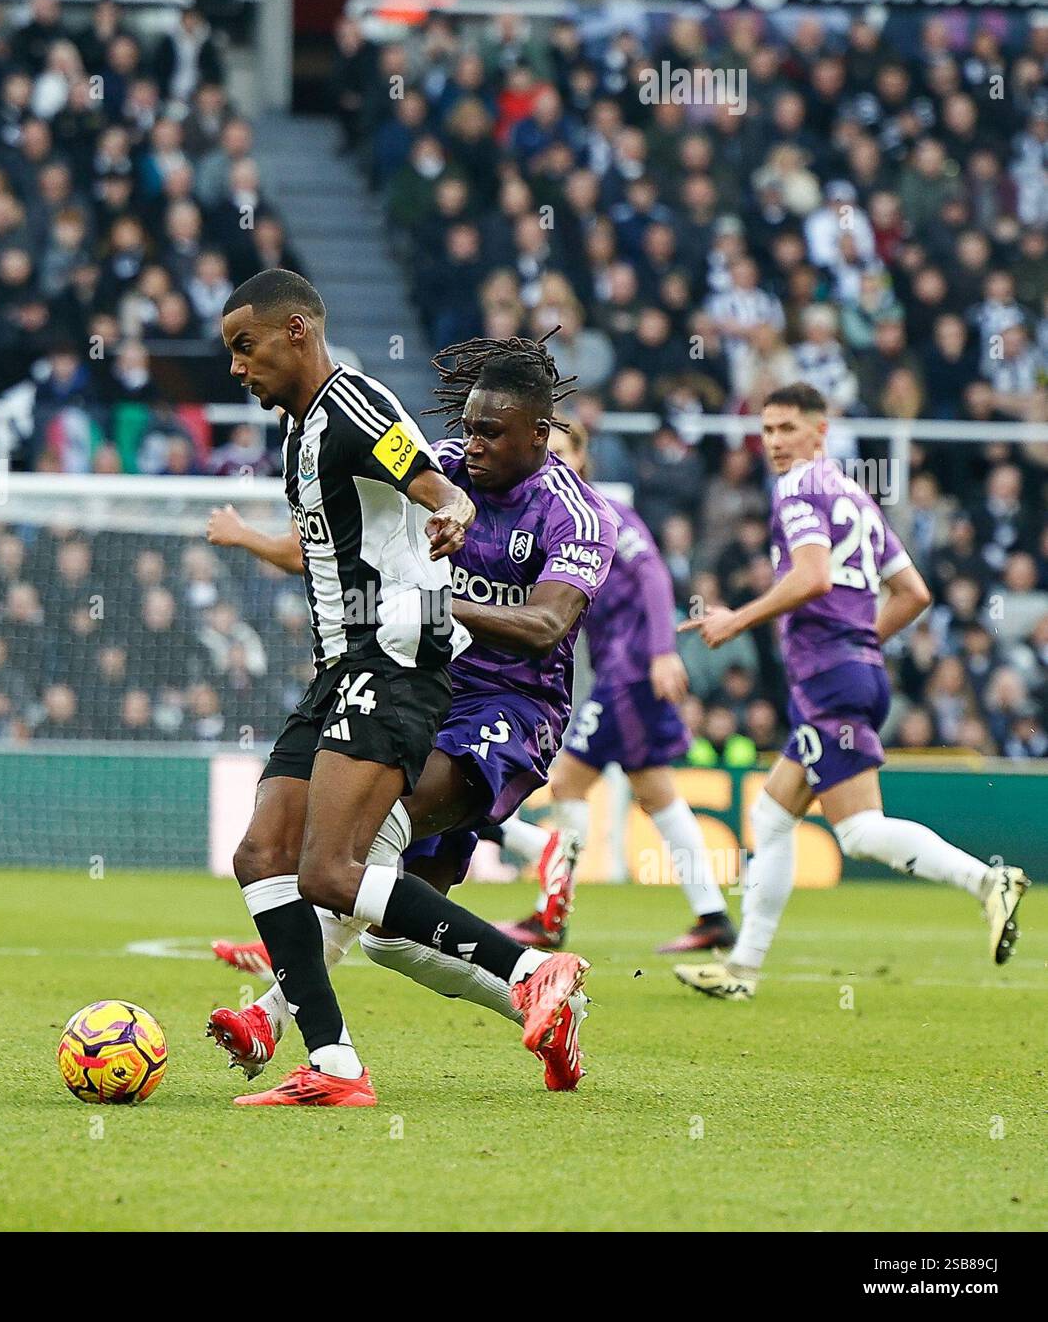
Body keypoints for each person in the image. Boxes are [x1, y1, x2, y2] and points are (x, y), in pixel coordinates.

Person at [214, 270, 591, 1105]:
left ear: (297, 334)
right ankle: (344, 1059)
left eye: (247, 346)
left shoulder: (357, 410)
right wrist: (249, 541)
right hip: (363, 669)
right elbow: (347, 535)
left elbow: (431, 481)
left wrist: (447, 521)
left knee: (338, 862)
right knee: (271, 861)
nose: (237, 367)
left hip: (446, 685)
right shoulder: (303, 431)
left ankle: (526, 970)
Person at [673, 383, 1029, 1000]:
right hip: (854, 671)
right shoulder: (855, 497)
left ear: (820, 430)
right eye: (768, 430)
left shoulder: (797, 488)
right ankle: (742, 970)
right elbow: (914, 593)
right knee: (771, 813)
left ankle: (987, 882)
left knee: (860, 831)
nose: (776, 442)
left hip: (827, 676)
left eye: (788, 428)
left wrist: (738, 619)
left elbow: (810, 577)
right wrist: (861, 641)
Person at [495, 419, 736, 954]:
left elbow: (651, 574)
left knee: (569, 784)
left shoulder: (604, 513)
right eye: (543, 452)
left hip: (631, 673)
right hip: (620, 673)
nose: (552, 462)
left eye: (562, 451)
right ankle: (713, 915)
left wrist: (661, 652)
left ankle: (550, 913)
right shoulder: (547, 518)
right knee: (656, 793)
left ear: (583, 458)